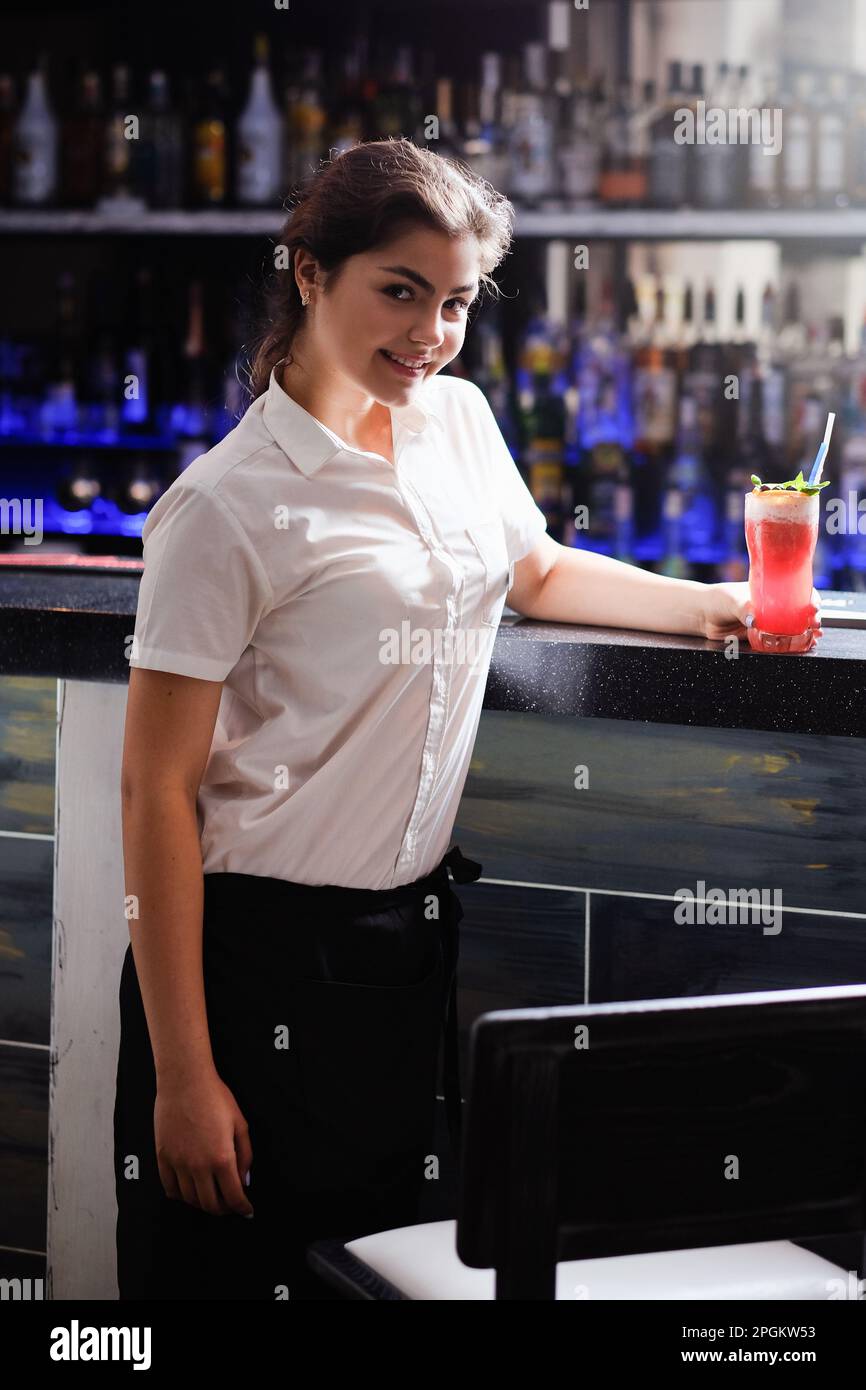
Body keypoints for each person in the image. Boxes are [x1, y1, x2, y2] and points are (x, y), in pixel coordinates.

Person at [114, 136, 823, 1303]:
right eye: (398, 291)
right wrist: (184, 1076)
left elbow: (534, 570)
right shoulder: (223, 509)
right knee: (231, 1280)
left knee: (378, 1262)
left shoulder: (454, 420)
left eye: (452, 302)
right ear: (307, 272)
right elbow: (152, 793)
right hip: (255, 968)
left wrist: (709, 606)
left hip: (405, 947)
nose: (429, 332)